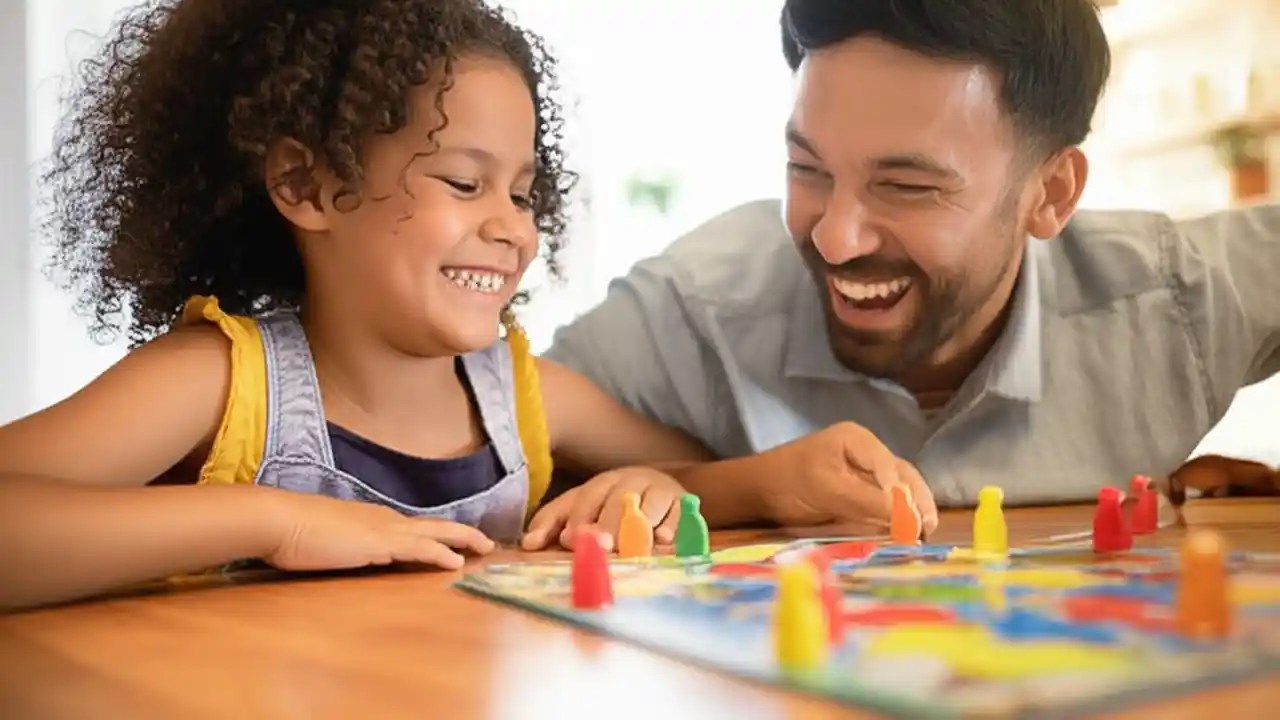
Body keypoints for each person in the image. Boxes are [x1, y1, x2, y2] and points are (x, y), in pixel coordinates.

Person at [0, 0, 932, 612]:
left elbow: (684, 478)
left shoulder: (521, 396)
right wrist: (272, 521)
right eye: (462, 181)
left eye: (523, 194)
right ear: (307, 184)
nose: (514, 230)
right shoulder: (220, 380)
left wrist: (699, 485)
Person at [544, 0, 1280, 508]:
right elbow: (478, 415)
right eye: (808, 169)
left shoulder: (1172, 296)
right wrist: (710, 485)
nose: (836, 235)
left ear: (1050, 193)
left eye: (905, 186)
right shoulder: (697, 302)